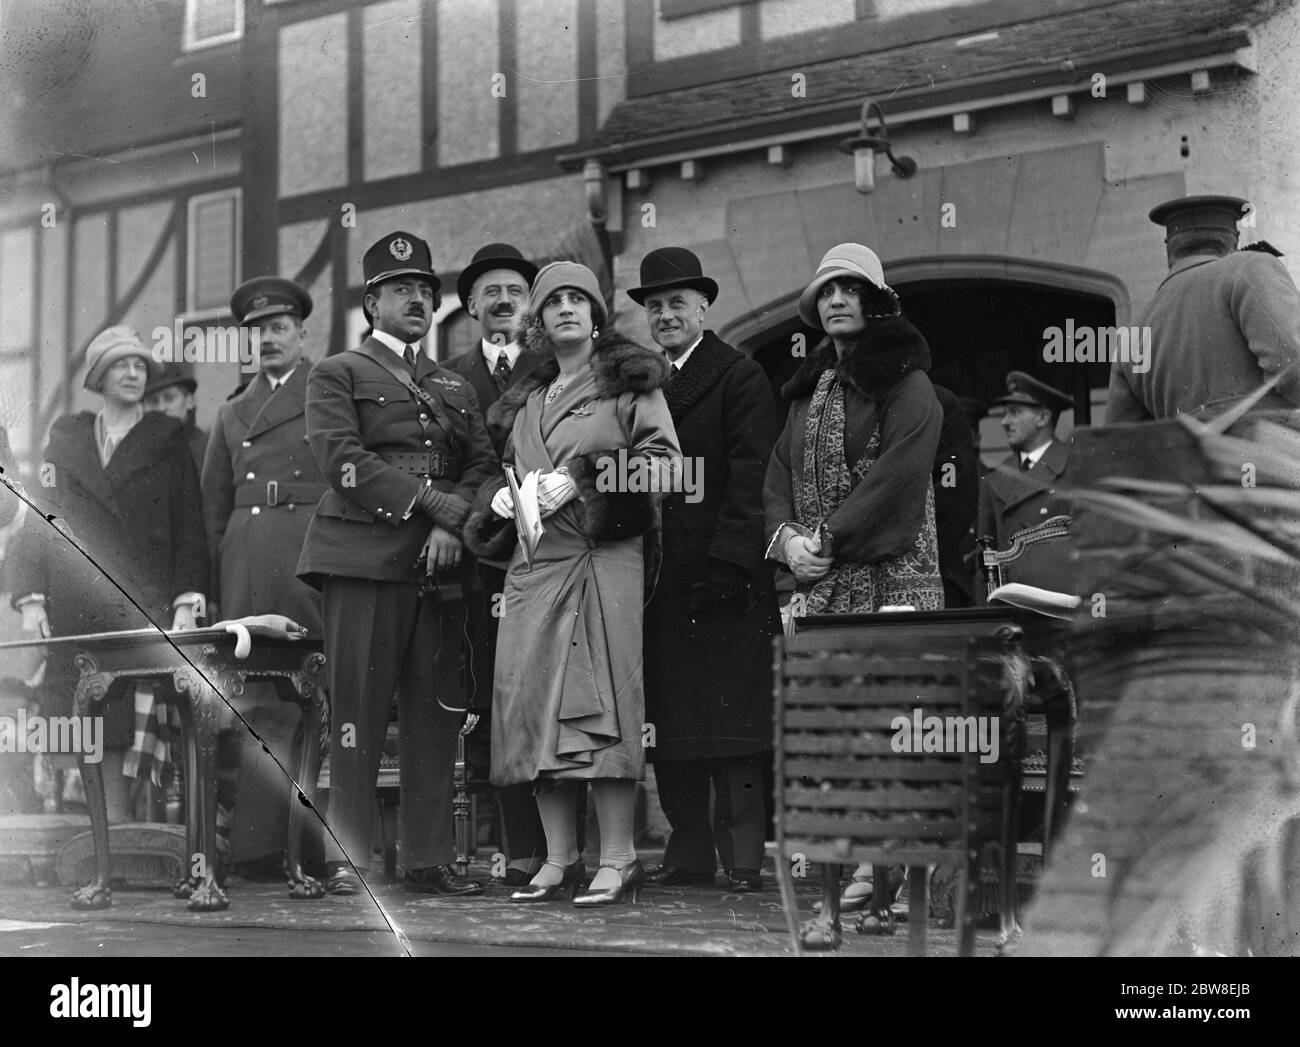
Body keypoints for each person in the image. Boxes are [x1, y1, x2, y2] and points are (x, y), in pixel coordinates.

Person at [463, 261, 680, 906]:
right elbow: (504, 477)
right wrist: (495, 506)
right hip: (532, 572)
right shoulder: (524, 402)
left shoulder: (629, 386)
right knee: (533, 709)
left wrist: (584, 478)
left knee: (600, 709)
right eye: (552, 300)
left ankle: (618, 857)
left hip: (598, 561)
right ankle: (560, 858)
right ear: (537, 319)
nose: (564, 309)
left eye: (576, 300)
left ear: (595, 316)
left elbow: (666, 470)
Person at [297, 232, 499, 897]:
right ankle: (348, 860)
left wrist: (455, 524)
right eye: (402, 290)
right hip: (362, 557)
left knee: (433, 712)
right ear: (371, 302)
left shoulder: (453, 385)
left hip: (440, 564)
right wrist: (438, 506)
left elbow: (484, 466)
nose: (417, 300)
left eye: (424, 291)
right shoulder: (338, 372)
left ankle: (427, 858)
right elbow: (342, 460)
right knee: (356, 710)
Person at [762, 243, 943, 949]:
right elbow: (779, 468)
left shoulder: (908, 382)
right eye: (827, 290)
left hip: (890, 583)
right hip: (822, 585)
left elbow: (900, 473)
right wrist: (786, 540)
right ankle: (851, 879)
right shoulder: (809, 388)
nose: (836, 298)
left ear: (874, 300)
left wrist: (828, 537)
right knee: (836, 736)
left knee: (893, 730)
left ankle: (893, 877)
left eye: (850, 288)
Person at [8, 327, 209, 839]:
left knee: (134, 722)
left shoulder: (168, 441)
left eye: (140, 366)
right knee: (82, 717)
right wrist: (30, 597)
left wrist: (188, 600)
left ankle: (126, 835)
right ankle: (97, 835)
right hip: (76, 600)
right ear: (98, 377)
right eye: (121, 365)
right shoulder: (67, 440)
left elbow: (190, 523)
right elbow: (39, 517)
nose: (133, 373)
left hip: (143, 602)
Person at [628, 247, 781, 894]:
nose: (665, 315)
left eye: (677, 303)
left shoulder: (738, 377)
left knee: (735, 725)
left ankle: (744, 856)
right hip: (662, 579)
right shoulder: (640, 385)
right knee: (675, 720)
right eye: (655, 306)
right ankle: (688, 850)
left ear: (704, 307)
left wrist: (729, 559)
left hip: (726, 580)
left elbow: (754, 475)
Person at [201, 277, 326, 866]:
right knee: (256, 706)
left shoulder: (327, 391)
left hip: (305, 561)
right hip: (246, 564)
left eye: (279, 328)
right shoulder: (230, 413)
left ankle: (311, 851)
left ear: (303, 333)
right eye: (256, 333)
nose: (268, 340)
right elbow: (212, 509)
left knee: (314, 697)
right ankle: (256, 850)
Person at [443, 242, 548, 885]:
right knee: (485, 697)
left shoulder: (554, 367)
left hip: (549, 558)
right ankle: (499, 848)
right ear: (473, 307)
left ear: (529, 303)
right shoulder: (449, 379)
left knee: (546, 695)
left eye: (515, 289)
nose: (504, 299)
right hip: (477, 564)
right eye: (490, 291)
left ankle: (555, 848)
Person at [1106, 195, 1300, 422]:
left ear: (1170, 248)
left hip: (1184, 456)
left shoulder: (1132, 334)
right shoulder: (1249, 268)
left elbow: (1122, 441)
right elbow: (1294, 365)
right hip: (1266, 453)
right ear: (1234, 240)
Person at [976, 371, 1073, 592]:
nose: (1004, 421)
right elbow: (984, 563)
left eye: (1014, 413)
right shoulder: (994, 480)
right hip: (1012, 606)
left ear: (1043, 418)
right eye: (1005, 413)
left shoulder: (1074, 469)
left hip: (1062, 605)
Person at [144, 362, 208, 473]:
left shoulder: (209, 450)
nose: (161, 408)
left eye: (170, 398)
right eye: (153, 401)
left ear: (190, 401)